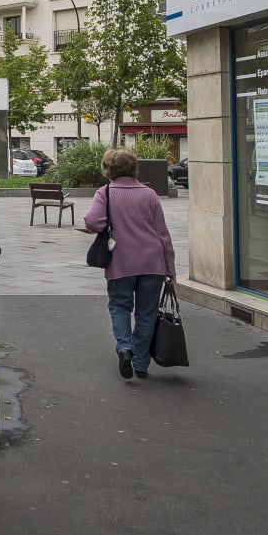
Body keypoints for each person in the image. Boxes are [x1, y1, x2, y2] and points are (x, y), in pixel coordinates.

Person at [83, 148, 177, 380]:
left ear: (108, 169)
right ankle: (141, 363)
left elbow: (92, 222)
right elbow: (163, 234)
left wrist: (109, 224)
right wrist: (170, 267)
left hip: (121, 262)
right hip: (152, 262)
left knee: (120, 306)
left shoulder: (105, 193)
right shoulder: (149, 194)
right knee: (146, 313)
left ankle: (125, 347)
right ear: (134, 168)